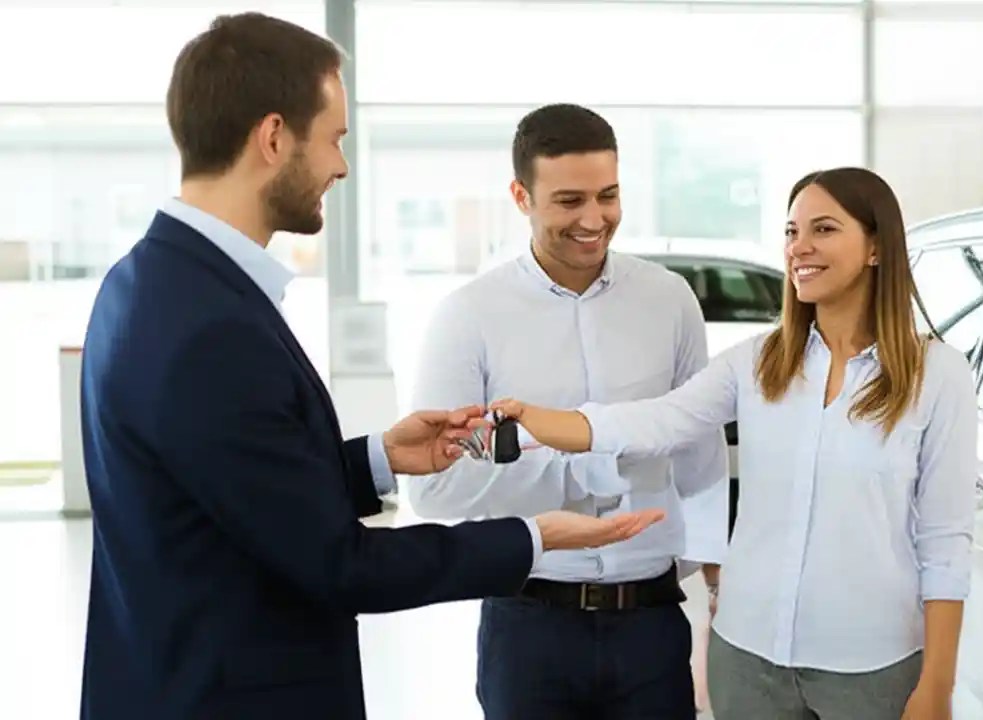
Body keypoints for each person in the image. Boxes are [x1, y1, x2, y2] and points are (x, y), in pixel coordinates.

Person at [77, 15, 662, 720]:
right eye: (334, 138)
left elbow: (243, 493)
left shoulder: (150, 281)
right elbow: (337, 565)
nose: (341, 166)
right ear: (272, 138)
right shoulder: (209, 325)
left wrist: (378, 460)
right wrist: (534, 536)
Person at [490, 167, 979, 720]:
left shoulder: (936, 375)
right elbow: (656, 422)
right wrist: (533, 419)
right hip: (748, 663)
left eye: (823, 230)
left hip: (871, 668)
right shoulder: (758, 362)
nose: (800, 248)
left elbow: (944, 543)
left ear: (875, 247)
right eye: (792, 232)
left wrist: (937, 683)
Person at [404, 102, 730, 720]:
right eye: (569, 201)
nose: (594, 219)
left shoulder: (669, 300)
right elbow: (436, 488)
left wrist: (716, 584)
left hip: (652, 623)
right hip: (529, 626)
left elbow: (699, 451)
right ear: (521, 195)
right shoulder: (468, 315)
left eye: (607, 196)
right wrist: (579, 471)